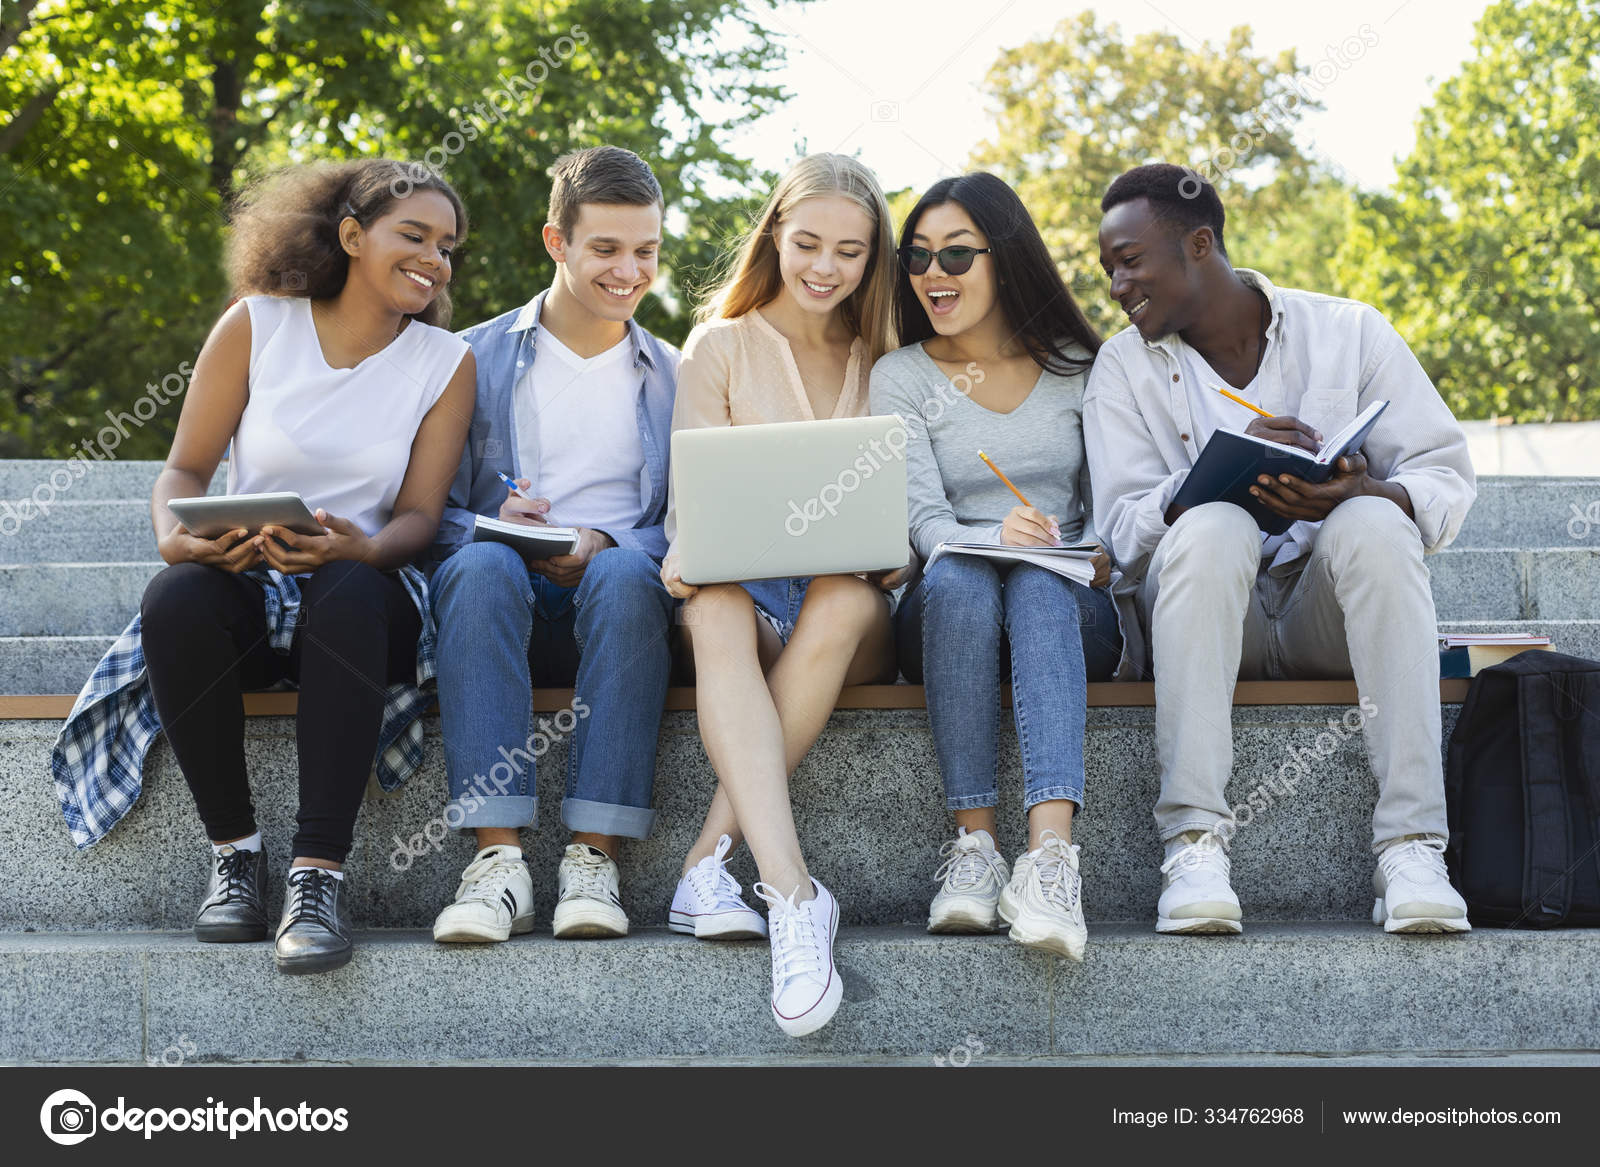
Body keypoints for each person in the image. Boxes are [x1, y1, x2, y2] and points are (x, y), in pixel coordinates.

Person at [52, 159, 476, 974]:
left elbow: (420, 516)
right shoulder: (259, 324)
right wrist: (179, 538)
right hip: (251, 583)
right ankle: (236, 856)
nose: (435, 259)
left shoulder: (445, 361)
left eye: (447, 246)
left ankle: (317, 876)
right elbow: (182, 472)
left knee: (350, 589)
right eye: (414, 236)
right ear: (352, 236)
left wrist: (355, 545)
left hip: (363, 591)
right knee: (175, 595)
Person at [1084, 163, 1475, 936]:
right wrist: (1202, 484)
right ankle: (1194, 842)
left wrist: (1364, 493)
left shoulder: (1349, 330)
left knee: (1374, 522)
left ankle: (1413, 846)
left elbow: (1444, 476)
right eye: (1108, 269)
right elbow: (1116, 541)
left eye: (1130, 260)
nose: (1117, 285)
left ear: (1200, 244)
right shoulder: (1123, 367)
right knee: (1212, 523)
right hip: (1200, 607)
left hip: (1318, 612)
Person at [659, 153, 908, 1037]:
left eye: (849, 250)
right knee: (712, 603)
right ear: (774, 235)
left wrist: (892, 553)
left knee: (841, 592)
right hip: (752, 599)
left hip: (856, 607)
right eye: (807, 243)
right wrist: (690, 553)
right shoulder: (719, 346)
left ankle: (710, 860)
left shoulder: (887, 358)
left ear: (872, 257)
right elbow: (693, 506)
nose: (825, 267)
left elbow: (911, 507)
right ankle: (790, 894)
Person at [425, 147, 679, 945]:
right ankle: (498, 865)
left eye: (645, 250)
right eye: (605, 248)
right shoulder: (470, 356)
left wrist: (606, 539)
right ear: (556, 242)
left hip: (622, 608)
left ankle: (592, 859)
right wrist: (497, 524)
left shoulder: (676, 374)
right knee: (477, 560)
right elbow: (425, 513)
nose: (628, 270)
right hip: (498, 607)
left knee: (631, 570)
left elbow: (691, 523)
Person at [871, 172, 1122, 962]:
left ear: (1005, 255)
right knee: (961, 572)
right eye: (917, 258)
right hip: (950, 606)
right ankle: (975, 850)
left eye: (955, 255)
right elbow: (922, 524)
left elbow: (1113, 520)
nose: (933, 275)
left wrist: (1077, 551)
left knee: (1042, 577)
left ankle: (1050, 862)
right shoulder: (901, 376)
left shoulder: (1087, 366)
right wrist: (994, 534)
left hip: (1068, 603)